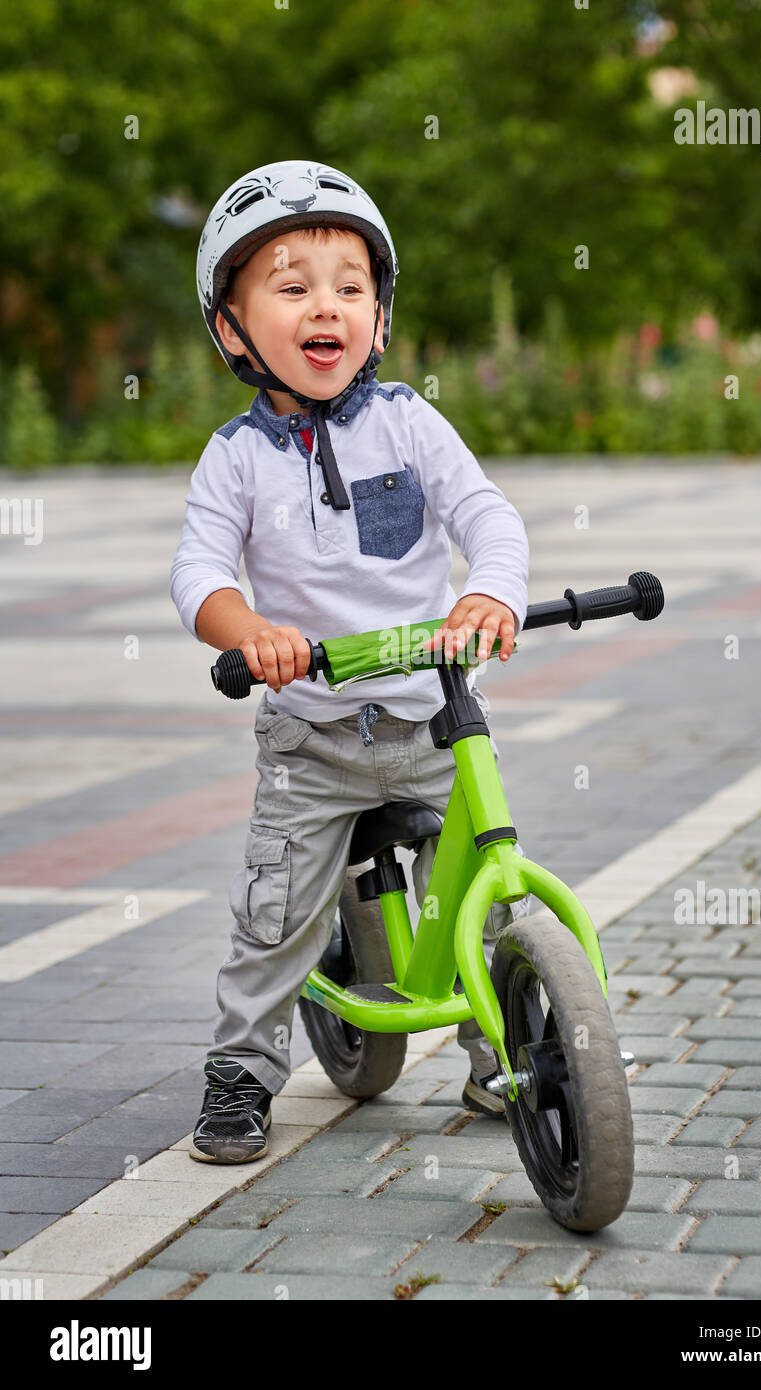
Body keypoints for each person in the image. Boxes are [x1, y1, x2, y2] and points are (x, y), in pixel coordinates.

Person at [170, 160, 530, 1162]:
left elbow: (485, 516)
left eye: (349, 285)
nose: (324, 304)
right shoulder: (234, 459)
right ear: (233, 330)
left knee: (485, 881)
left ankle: (508, 1042)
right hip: (311, 731)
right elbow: (198, 571)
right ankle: (242, 1066)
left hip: (428, 708)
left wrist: (489, 589)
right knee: (276, 909)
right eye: (291, 286)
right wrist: (247, 631)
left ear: (378, 318)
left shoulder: (408, 422)